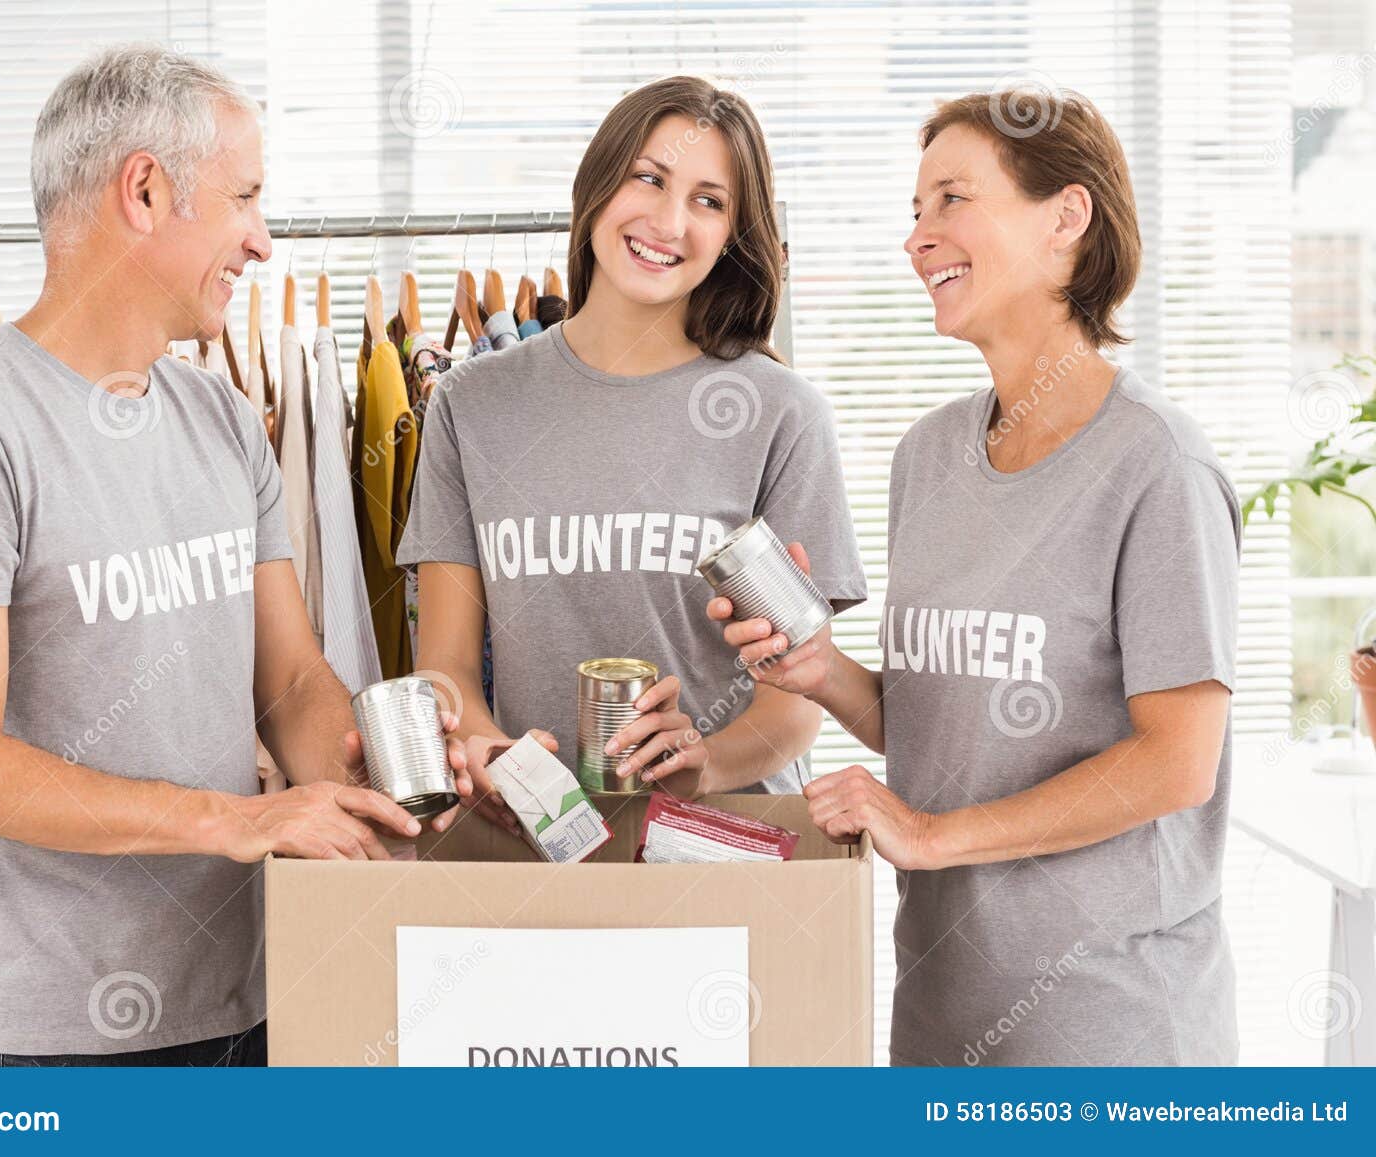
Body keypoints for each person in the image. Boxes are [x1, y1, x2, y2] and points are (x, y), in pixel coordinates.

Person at [0, 44, 468, 1067]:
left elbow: (286, 680)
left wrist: (378, 775)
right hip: (50, 1035)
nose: (263, 242)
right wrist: (236, 818)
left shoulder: (221, 418)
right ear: (144, 190)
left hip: (249, 991)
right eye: (243, 198)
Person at [712, 90, 1240, 1065]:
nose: (919, 237)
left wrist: (927, 833)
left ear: (1065, 218)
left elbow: (1177, 759)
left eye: (951, 199)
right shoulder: (926, 456)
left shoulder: (1156, 465)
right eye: (914, 211)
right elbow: (939, 725)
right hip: (943, 1010)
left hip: (1111, 1029)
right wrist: (819, 668)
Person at [397, 76, 866, 818]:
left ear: (732, 236)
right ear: (597, 185)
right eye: (648, 178)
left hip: (729, 848)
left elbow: (798, 700)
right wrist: (510, 774)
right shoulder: (471, 404)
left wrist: (706, 762)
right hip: (541, 843)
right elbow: (447, 667)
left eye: (709, 201)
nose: (669, 220)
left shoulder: (782, 415)